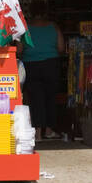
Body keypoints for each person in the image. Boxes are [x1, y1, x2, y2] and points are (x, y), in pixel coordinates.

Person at [20, 11, 65, 140]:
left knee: (35, 99)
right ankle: (49, 130)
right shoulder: (53, 27)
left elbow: (19, 49)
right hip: (51, 65)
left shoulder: (25, 28)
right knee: (50, 97)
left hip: (31, 65)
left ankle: (38, 133)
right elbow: (61, 47)